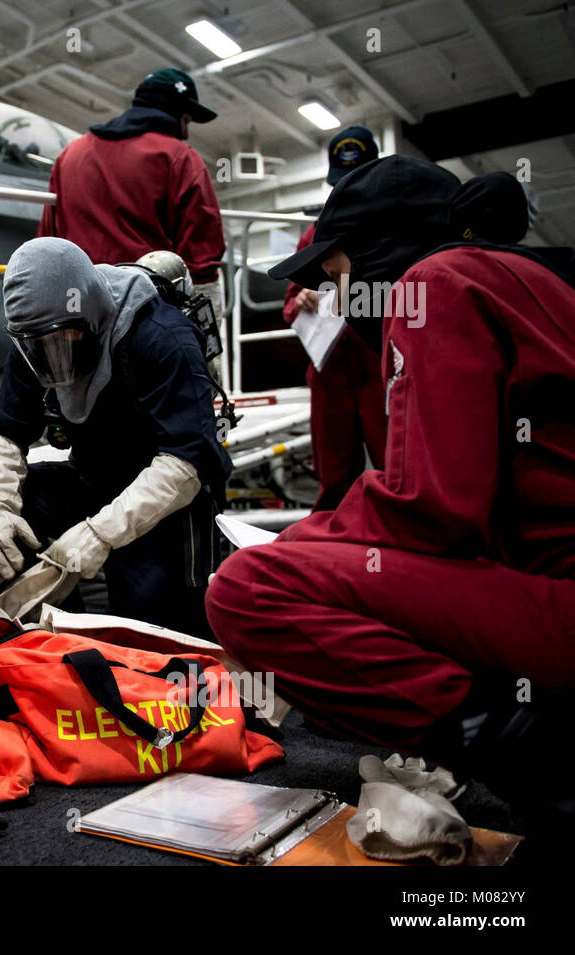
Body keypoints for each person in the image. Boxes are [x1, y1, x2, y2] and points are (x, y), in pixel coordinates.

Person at [207, 156, 575, 818]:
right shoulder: (536, 279)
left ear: (379, 248)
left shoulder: (431, 284)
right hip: (543, 575)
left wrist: (314, 535)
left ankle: (474, 735)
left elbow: (439, 510)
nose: (334, 296)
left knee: (247, 586)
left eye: (338, 272)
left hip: (558, 609)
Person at [0, 237, 231, 637]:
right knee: (4, 531)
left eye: (64, 341)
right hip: (94, 477)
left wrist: (100, 534)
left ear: (92, 315)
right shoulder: (35, 339)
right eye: (39, 346)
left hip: (171, 503)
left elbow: (188, 461)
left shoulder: (162, 337)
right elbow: (5, 432)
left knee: (149, 629)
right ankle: (51, 627)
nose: (53, 356)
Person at [37, 68, 226, 328]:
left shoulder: (70, 155)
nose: (186, 133)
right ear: (179, 115)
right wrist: (207, 327)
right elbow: (202, 254)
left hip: (80, 317)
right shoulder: (179, 157)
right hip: (148, 316)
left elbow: (46, 244)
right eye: (188, 121)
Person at [281, 125, 385, 510]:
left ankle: (403, 550)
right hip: (328, 369)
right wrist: (303, 298)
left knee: (395, 465)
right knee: (334, 478)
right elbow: (290, 300)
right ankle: (333, 553)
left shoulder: (393, 227)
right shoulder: (315, 232)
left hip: (380, 366)